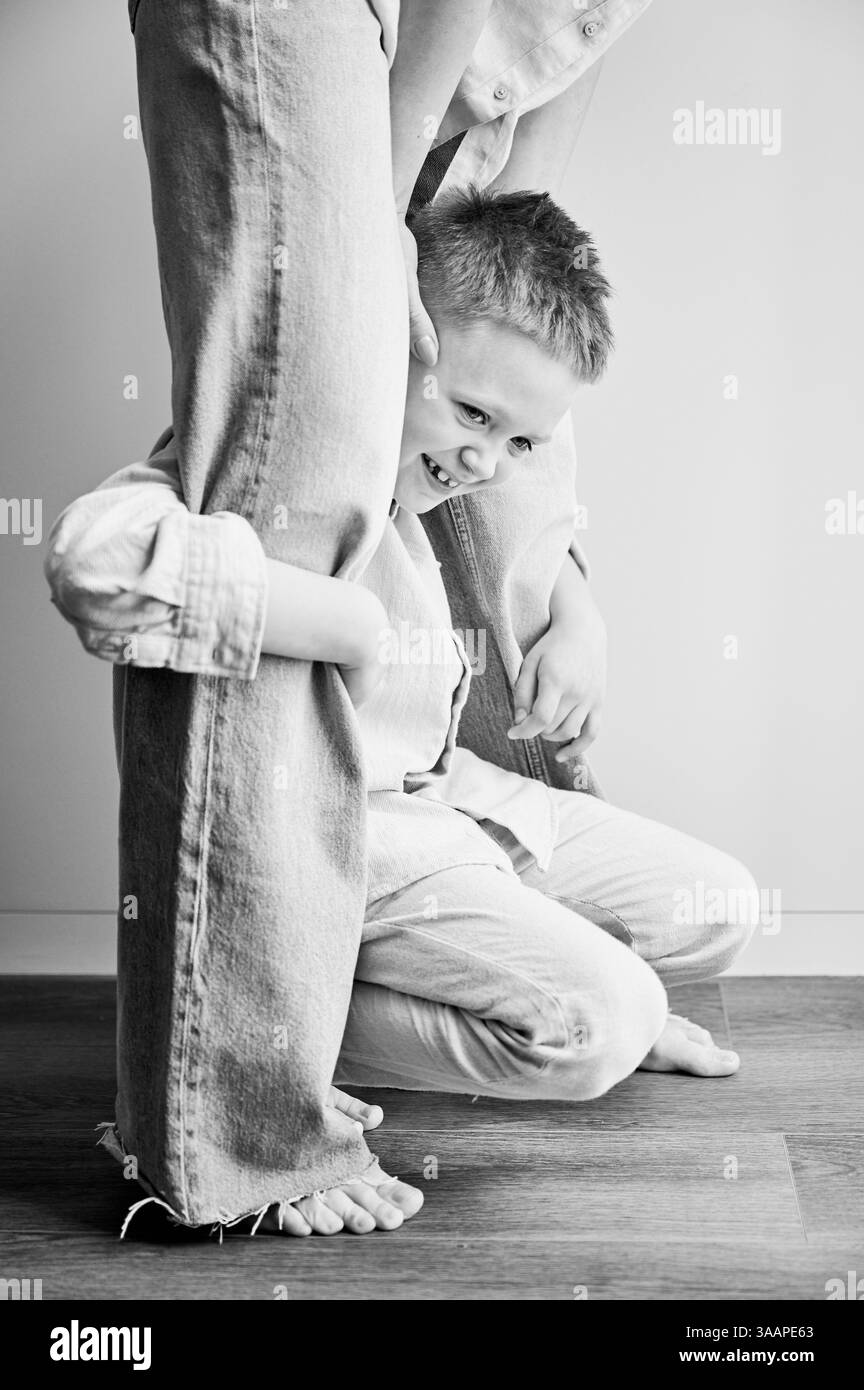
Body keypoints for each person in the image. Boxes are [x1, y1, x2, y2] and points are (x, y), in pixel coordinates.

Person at [46, 187, 757, 1238]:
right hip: (353, 836)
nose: (483, 461)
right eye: (472, 414)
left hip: (450, 798)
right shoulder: (269, 467)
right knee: (603, 1030)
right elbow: (94, 560)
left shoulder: (439, 495)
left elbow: (537, 510)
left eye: (516, 440)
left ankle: (524, 979)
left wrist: (579, 611)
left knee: (720, 906)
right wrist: (345, 624)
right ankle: (248, 1045)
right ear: (392, 343)